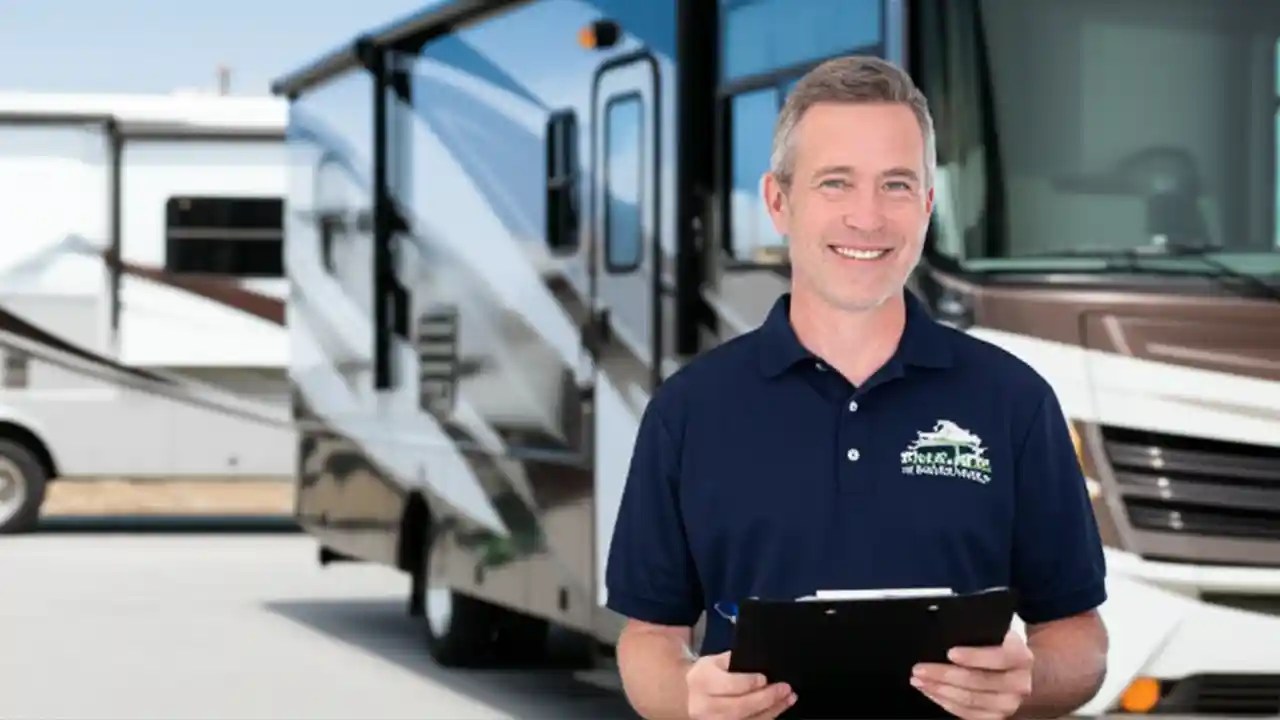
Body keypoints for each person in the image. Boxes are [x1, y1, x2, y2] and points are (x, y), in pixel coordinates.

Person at [603, 54, 1109, 720]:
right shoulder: (690, 410)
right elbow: (648, 638)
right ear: (778, 202)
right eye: (835, 183)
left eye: (897, 185)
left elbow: (1081, 639)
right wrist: (687, 697)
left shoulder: (1014, 402)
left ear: (928, 207)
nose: (867, 217)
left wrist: (1028, 681)